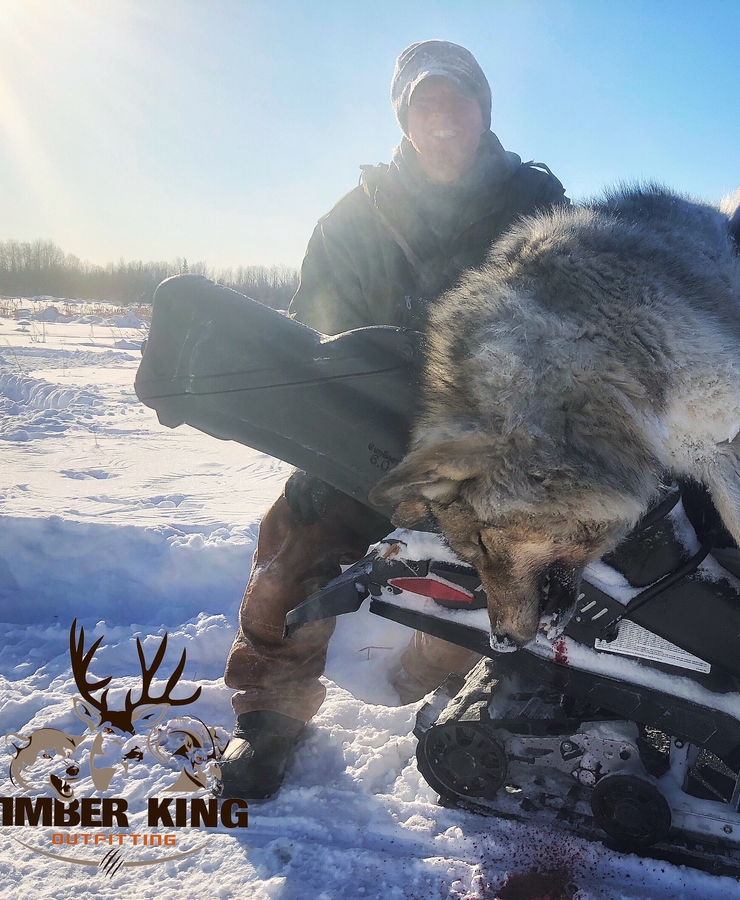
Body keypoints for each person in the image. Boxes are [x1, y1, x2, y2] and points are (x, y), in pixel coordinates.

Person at [215, 40, 567, 799]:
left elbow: (580, 332)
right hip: (375, 433)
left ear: (484, 112)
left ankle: (503, 678)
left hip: (502, 441)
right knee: (293, 541)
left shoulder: (539, 208)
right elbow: (313, 339)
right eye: (425, 106)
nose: (443, 120)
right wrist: (322, 446)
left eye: (458, 102)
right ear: (404, 120)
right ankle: (269, 714)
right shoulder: (354, 221)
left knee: (540, 565)